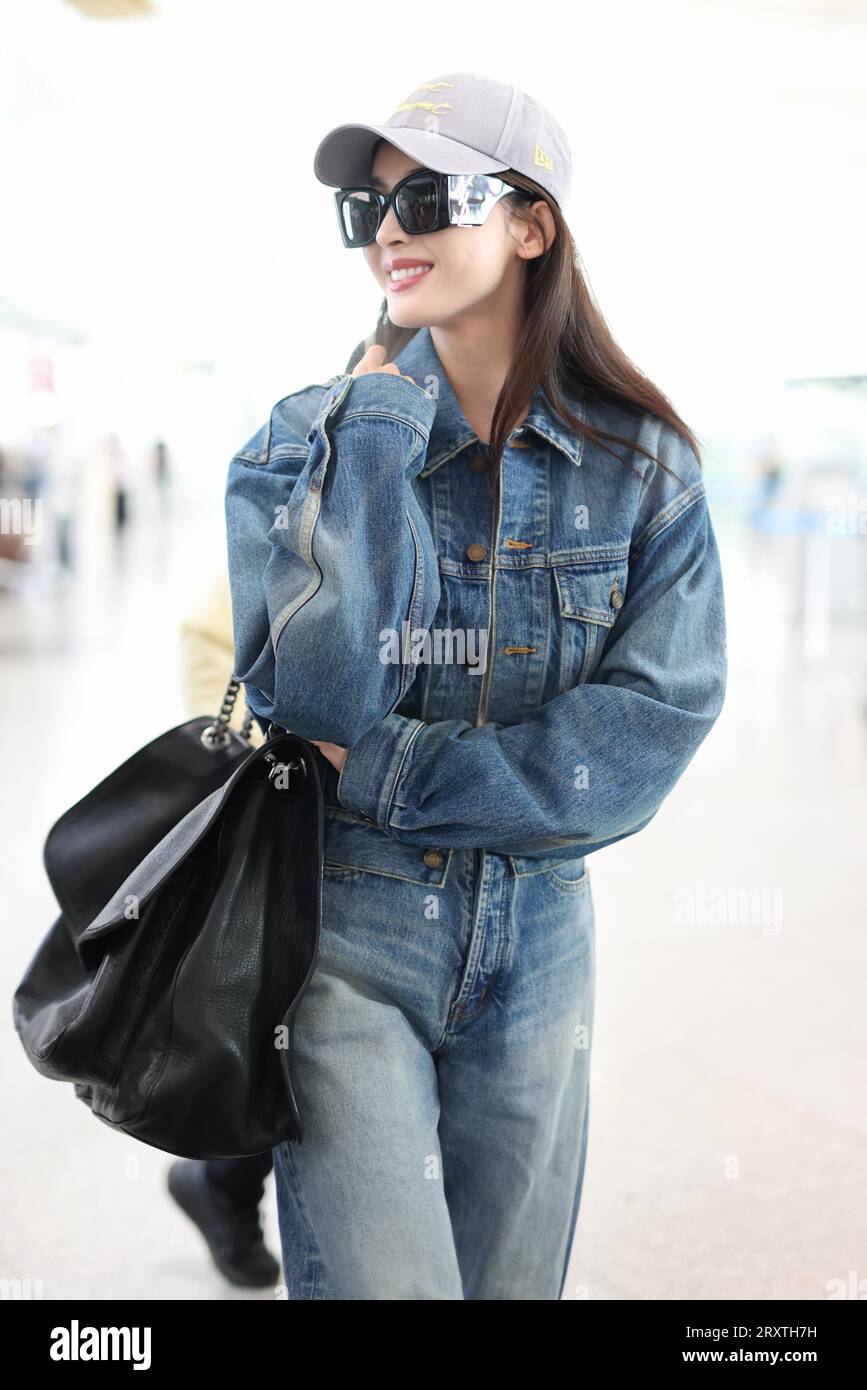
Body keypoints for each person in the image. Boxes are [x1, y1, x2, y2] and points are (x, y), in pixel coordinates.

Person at [224, 72, 727, 1300]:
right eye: (368, 209)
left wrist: (397, 770)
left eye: (430, 198)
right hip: (346, 929)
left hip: (544, 936)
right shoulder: (305, 444)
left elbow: (646, 729)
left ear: (532, 222)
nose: (391, 231)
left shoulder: (643, 469)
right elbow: (319, 694)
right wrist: (379, 428)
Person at [166, 337, 373, 1289]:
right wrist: (256, 753)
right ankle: (220, 1182)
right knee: (264, 1026)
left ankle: (217, 1177)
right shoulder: (295, 495)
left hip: (365, 830)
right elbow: (216, 638)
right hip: (280, 808)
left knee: (291, 1037)